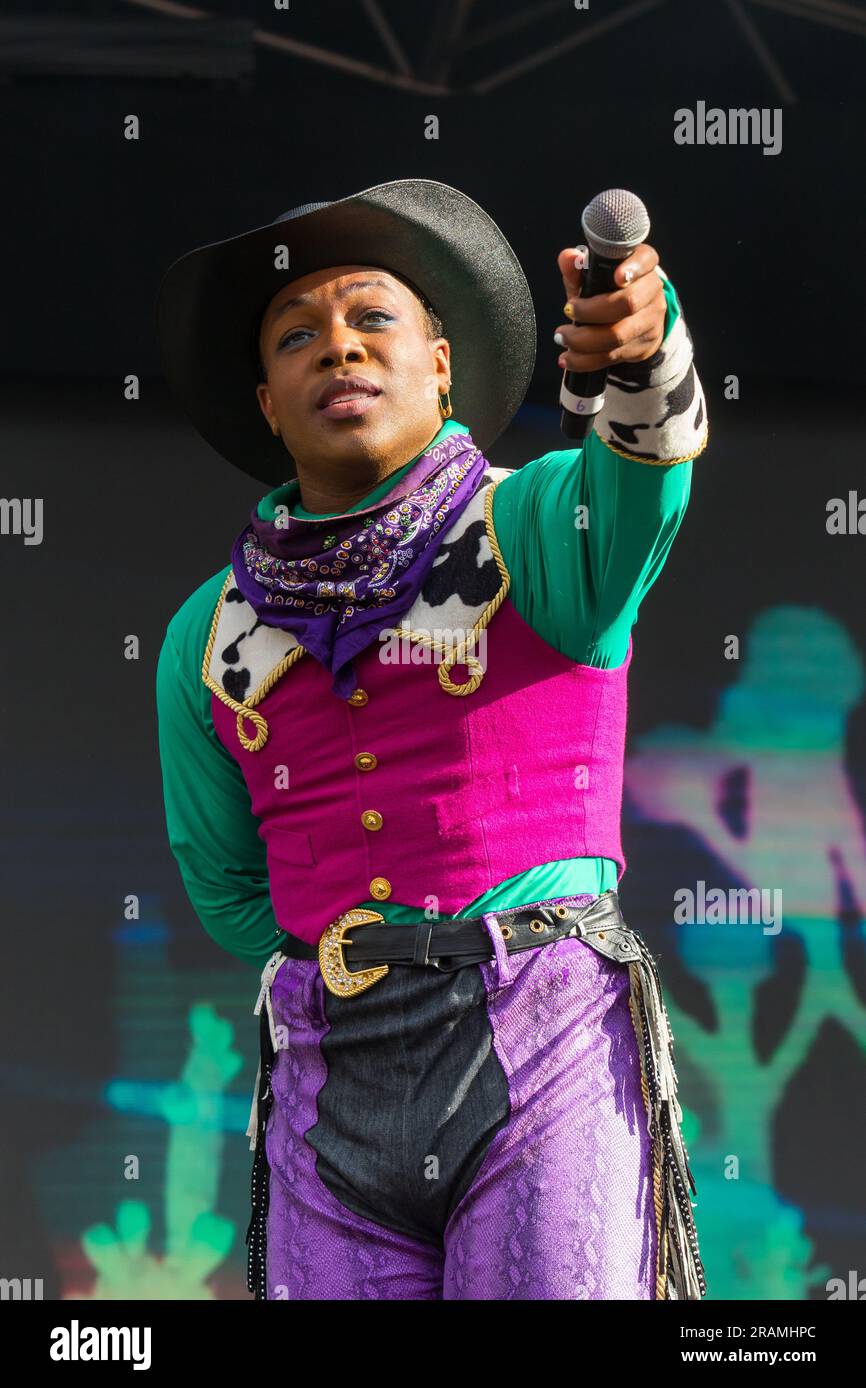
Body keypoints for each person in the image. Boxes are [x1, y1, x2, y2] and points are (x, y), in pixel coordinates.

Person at [155, 178, 709, 1301]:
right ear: (268, 402)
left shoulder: (536, 520)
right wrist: (360, 942)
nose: (338, 349)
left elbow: (647, 475)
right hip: (329, 1076)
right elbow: (227, 889)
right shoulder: (204, 636)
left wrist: (644, 352)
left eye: (371, 320)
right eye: (298, 337)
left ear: (441, 364)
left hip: (542, 1037)